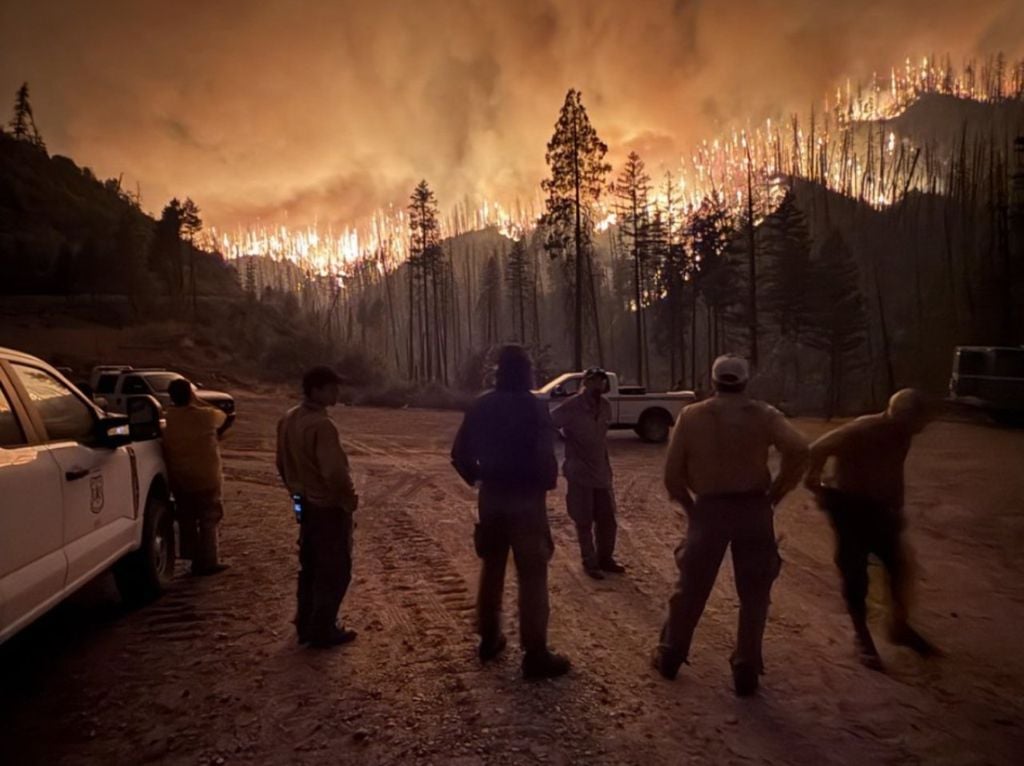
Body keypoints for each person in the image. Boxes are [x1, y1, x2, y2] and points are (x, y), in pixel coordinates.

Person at [653, 355, 808, 696]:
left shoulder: (692, 416)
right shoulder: (764, 415)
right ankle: (746, 668)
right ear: (745, 381)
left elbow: (672, 475)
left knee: (691, 588)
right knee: (755, 593)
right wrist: (776, 492)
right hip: (753, 510)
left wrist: (691, 508)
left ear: (713, 381)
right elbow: (799, 448)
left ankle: (671, 654)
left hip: (709, 510)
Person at [451, 345, 570, 680]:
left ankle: (489, 639)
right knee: (532, 575)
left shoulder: (481, 404)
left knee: (492, 567)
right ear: (527, 371)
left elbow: (459, 453)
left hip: (491, 496)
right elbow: (545, 454)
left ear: (498, 371)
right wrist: (545, 484)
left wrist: (478, 477)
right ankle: (535, 654)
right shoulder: (534, 406)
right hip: (526, 499)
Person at [804, 388, 938, 670]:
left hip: (881, 510)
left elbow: (889, 470)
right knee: (854, 573)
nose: (921, 428)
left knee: (899, 567)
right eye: (917, 421)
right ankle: (862, 636)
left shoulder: (902, 433)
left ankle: (898, 627)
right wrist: (814, 479)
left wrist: (896, 504)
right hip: (850, 508)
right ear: (900, 416)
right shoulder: (864, 429)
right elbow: (817, 448)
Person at [276, 366, 359, 649]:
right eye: (331, 388)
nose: (337, 392)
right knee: (335, 568)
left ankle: (305, 622)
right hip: (327, 507)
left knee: (310, 564)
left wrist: (295, 492)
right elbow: (334, 473)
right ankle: (323, 628)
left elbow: (281, 462)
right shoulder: (322, 426)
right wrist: (348, 500)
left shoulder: (288, 418)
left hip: (304, 503)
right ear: (316, 390)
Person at [551, 367, 625, 580]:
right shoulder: (571, 406)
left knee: (608, 520)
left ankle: (605, 559)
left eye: (601, 381)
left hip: (601, 471)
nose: (598, 385)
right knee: (583, 520)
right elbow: (549, 423)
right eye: (594, 381)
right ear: (585, 382)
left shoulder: (606, 406)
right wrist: (565, 440)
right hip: (579, 472)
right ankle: (590, 562)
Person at [163, 378, 230, 576]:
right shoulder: (206, 416)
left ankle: (192, 558)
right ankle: (208, 561)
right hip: (206, 477)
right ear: (191, 395)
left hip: (180, 478)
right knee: (209, 519)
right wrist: (197, 400)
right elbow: (223, 416)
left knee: (187, 520)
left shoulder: (168, 419)